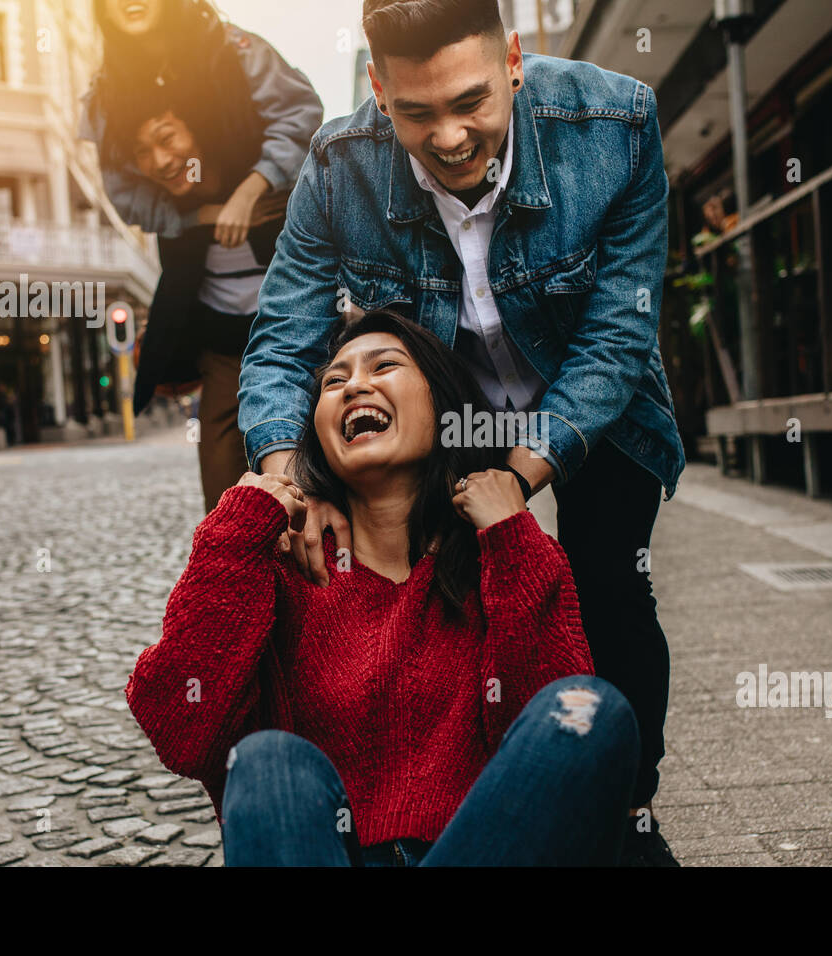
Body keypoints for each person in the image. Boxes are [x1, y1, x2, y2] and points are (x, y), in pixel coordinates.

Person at [238, 0, 684, 864]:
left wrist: (520, 477)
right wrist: (289, 483)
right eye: (416, 112)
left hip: (597, 402)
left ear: (513, 59)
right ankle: (469, 800)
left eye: (470, 102)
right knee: (454, 601)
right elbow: (283, 337)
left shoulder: (616, 123)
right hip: (452, 411)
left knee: (608, 585)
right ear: (378, 89)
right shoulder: (337, 166)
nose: (448, 136)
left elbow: (618, 336)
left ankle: (629, 807)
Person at [127, 311, 640, 866]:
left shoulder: (506, 557)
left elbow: (550, 757)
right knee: (267, 758)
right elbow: (181, 729)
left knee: (594, 709)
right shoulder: (279, 571)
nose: (354, 385)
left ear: (444, 407)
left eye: (385, 366)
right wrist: (240, 525)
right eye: (333, 381)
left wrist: (510, 537)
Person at [80, 0, 322, 510]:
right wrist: (208, 214)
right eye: (144, 152)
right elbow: (126, 197)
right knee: (224, 488)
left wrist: (252, 189)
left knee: (319, 474)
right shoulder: (107, 96)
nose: (160, 162)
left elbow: (302, 117)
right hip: (219, 333)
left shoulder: (234, 55)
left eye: (168, 141)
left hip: (301, 320)